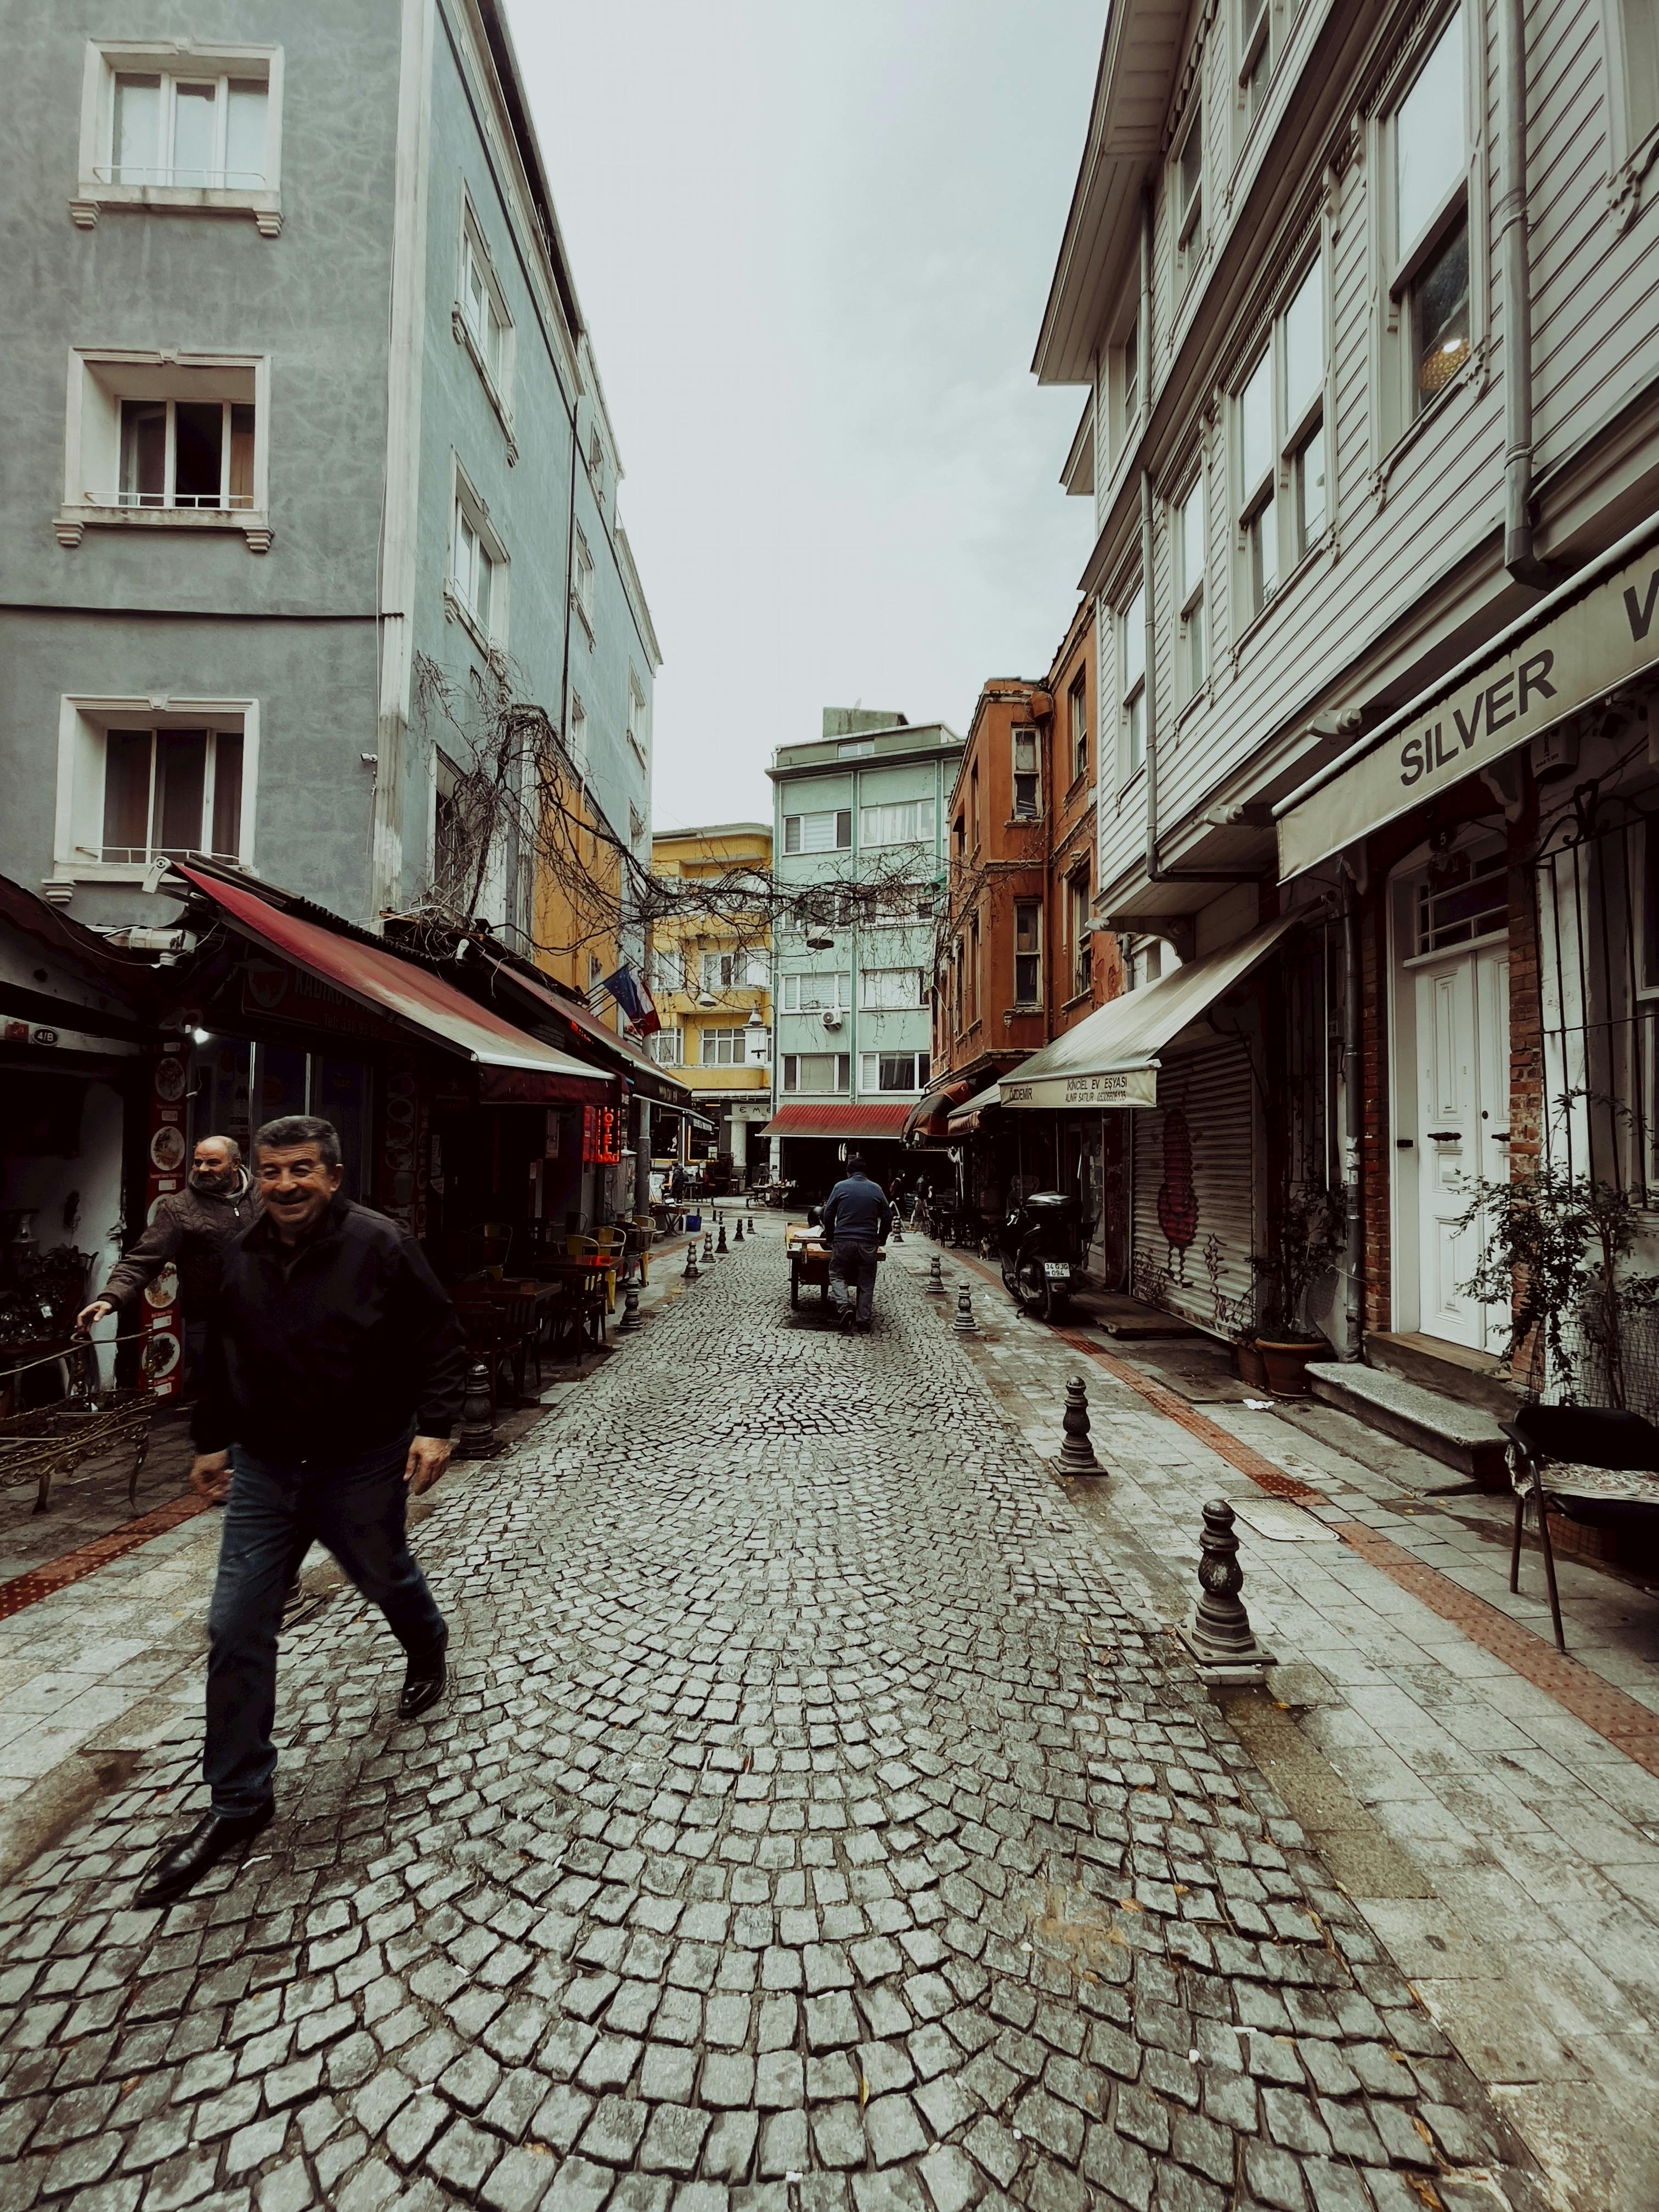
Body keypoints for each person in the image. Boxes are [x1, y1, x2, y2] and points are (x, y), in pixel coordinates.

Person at [134, 1115, 467, 1909]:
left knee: (383, 1573)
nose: (287, 1185)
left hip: (359, 1463)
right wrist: (212, 1439)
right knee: (237, 1624)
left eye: (303, 1171)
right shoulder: (242, 1255)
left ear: (335, 1175)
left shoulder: (381, 1245)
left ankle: (427, 1642)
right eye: (274, 1171)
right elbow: (223, 1353)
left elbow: (440, 1337)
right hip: (266, 1471)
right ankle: (240, 1801)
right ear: (259, 1175)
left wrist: (436, 1426)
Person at [77, 1134, 261, 1379]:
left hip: (262, 1312)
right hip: (209, 1322)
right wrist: (111, 1297)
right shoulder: (179, 1208)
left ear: (236, 1164)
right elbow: (142, 1259)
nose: (202, 1169)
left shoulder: (263, 1193)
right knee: (215, 1391)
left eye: (213, 1163)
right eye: (198, 1163)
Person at [821, 1154, 893, 1334]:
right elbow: (888, 1216)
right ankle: (863, 1322)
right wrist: (881, 1238)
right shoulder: (876, 1189)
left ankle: (845, 1307)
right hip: (868, 1242)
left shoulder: (840, 1187)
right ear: (866, 1173)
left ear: (849, 1173)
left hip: (843, 1240)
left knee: (837, 1273)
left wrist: (830, 1236)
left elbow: (828, 1214)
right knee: (866, 1281)